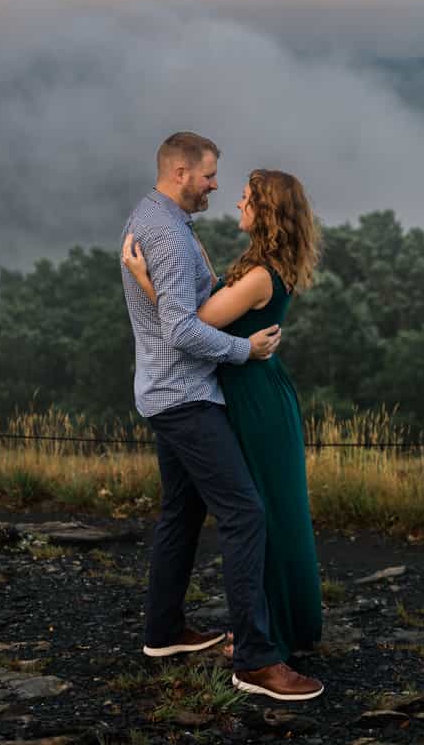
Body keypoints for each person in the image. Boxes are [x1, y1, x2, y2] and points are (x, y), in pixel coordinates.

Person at [119, 132, 324, 702]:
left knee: (183, 513)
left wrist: (152, 288)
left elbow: (197, 308)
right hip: (186, 395)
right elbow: (183, 329)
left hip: (189, 392)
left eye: (239, 192)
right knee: (245, 511)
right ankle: (256, 661)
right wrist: (246, 349)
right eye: (210, 176)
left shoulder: (173, 227)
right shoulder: (165, 231)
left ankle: (163, 633)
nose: (220, 189)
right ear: (182, 172)